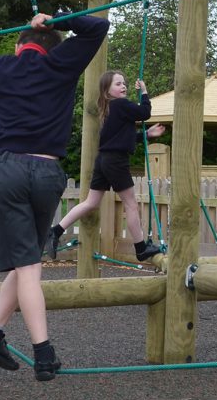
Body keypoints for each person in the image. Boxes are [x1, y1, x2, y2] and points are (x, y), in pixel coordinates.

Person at [0, 11, 109, 381]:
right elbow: (98, 26)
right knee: (28, 261)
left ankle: (35, 350)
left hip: (11, 168)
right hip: (48, 172)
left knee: (26, 264)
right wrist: (58, 20)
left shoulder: (1, 66)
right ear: (51, 46)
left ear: (19, 46)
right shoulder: (62, 63)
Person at [48, 69, 166, 262]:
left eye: (124, 83)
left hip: (103, 160)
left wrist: (146, 135)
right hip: (116, 161)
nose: (124, 86)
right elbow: (145, 112)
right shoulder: (121, 104)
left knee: (91, 202)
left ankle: (56, 230)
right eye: (118, 84)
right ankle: (141, 248)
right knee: (131, 205)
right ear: (106, 92)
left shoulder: (111, 109)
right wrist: (144, 91)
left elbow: (121, 138)